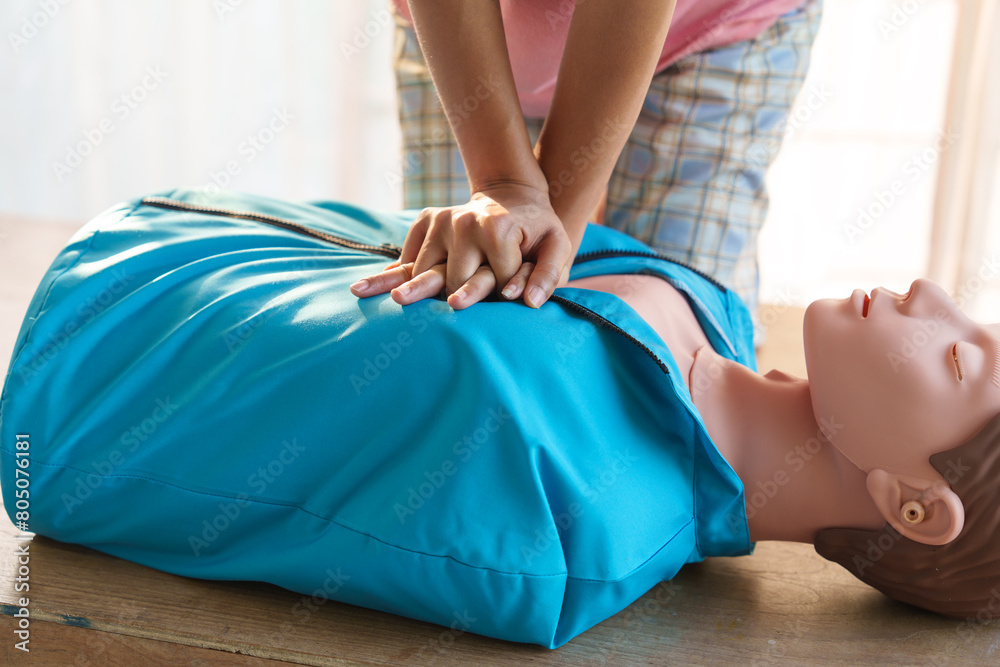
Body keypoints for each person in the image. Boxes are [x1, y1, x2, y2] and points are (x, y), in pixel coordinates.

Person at [2, 188, 999, 650]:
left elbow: (235, 491)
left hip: (69, 372)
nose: (933, 296)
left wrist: (38, 447)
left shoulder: (570, 529)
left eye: (960, 359)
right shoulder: (713, 304)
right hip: (157, 228)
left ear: (912, 505)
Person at [372, 0, 824, 347]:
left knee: (679, 334)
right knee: (443, 308)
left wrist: (543, 238)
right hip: (459, 30)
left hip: (711, 29)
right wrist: (501, 185)